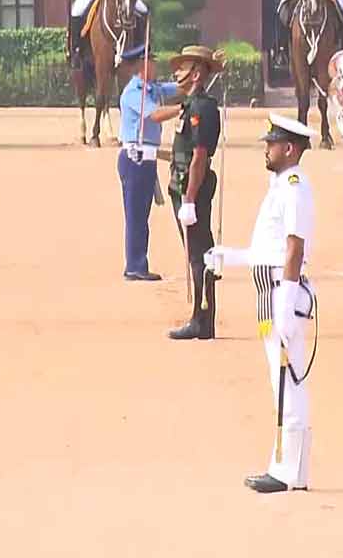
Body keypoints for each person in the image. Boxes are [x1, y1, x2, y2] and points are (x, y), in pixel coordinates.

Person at [203, 114, 319, 494]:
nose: (265, 149)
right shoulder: (280, 186)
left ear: (289, 149)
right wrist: (232, 256)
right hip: (269, 292)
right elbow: (266, 250)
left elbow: (294, 247)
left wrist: (285, 298)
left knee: (288, 383)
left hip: (280, 292)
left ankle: (289, 471)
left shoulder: (294, 187)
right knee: (282, 382)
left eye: (271, 144)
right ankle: (287, 466)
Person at [162, 46, 224, 341]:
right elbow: (184, 153)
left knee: (199, 255)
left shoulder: (202, 107)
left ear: (196, 74)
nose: (176, 72)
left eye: (183, 67)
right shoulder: (189, 105)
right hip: (183, 183)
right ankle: (201, 318)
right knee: (195, 254)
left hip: (192, 189)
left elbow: (199, 157)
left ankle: (202, 318)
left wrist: (189, 198)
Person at [116, 43, 179, 281]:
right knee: (136, 216)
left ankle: (138, 263)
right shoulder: (134, 92)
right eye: (151, 61)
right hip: (135, 160)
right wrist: (181, 108)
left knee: (142, 216)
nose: (155, 65)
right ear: (142, 66)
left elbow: (179, 88)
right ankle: (134, 266)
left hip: (147, 160)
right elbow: (155, 114)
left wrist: (204, 72)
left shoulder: (153, 89)